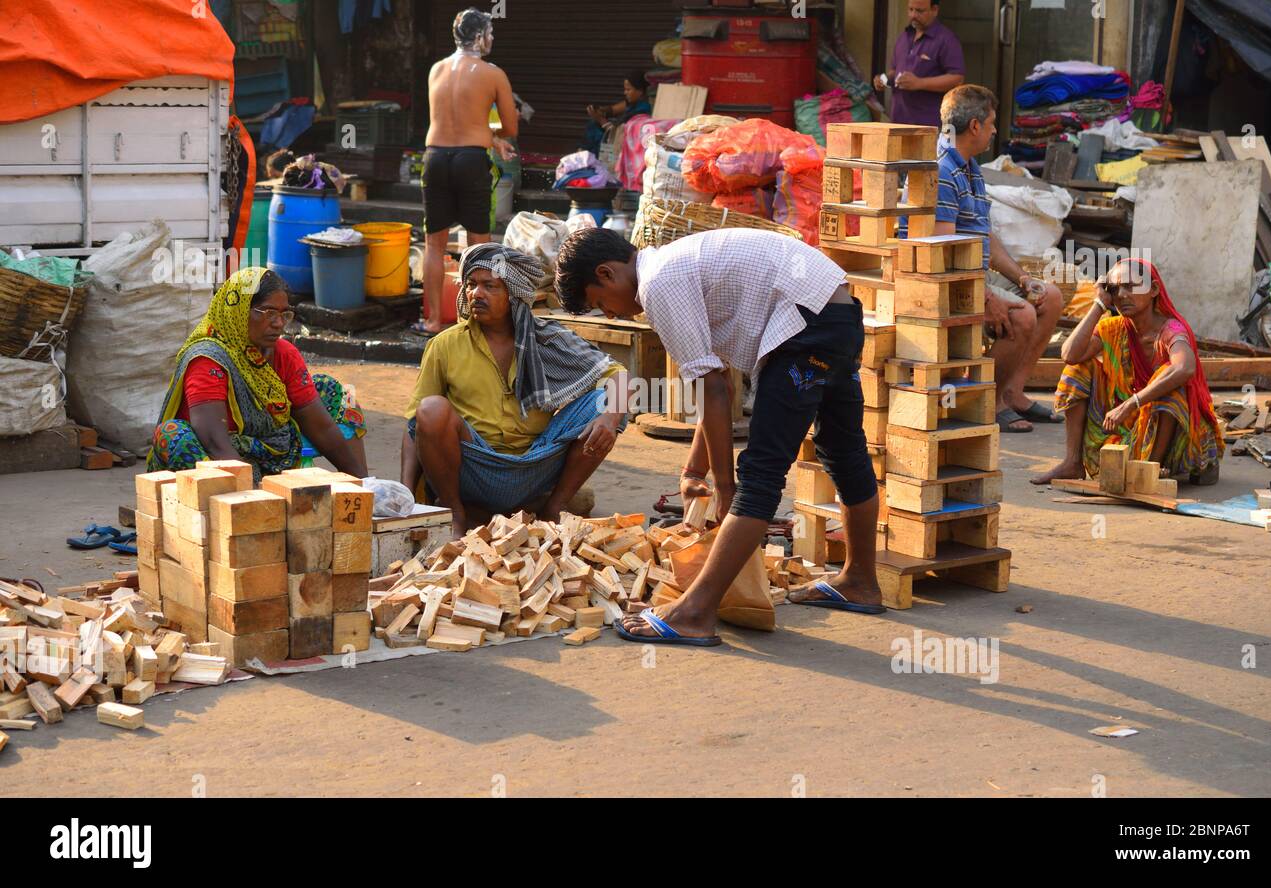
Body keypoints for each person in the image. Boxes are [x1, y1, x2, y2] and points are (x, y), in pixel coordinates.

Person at [556, 228, 884, 648]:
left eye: (601, 303)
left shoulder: (658, 284)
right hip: (837, 317)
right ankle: (860, 580)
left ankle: (694, 612)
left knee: (760, 476)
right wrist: (695, 470)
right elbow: (720, 385)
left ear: (607, 273)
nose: (612, 315)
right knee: (843, 451)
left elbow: (711, 388)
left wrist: (725, 487)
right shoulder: (675, 264)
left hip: (805, 330)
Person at [403, 244, 629, 537]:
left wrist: (610, 418)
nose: (476, 294)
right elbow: (414, 427)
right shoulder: (444, 345)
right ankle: (455, 513)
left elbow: (618, 373)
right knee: (431, 410)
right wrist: (405, 496)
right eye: (471, 285)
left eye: (490, 286)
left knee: (607, 401)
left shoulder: (548, 338)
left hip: (535, 466)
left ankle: (553, 508)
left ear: (514, 294)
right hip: (473, 466)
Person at [927, 84, 1063, 433]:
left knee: (1049, 296)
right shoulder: (943, 171)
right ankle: (989, 402)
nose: (993, 131)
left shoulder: (969, 167)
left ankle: (1013, 392)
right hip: (945, 281)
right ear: (974, 126)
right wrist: (987, 298)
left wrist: (1022, 279)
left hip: (973, 272)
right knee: (1022, 316)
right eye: (990, 123)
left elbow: (984, 235)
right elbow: (942, 252)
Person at [148, 268, 368, 481]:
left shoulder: (283, 354)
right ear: (239, 311)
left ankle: (362, 484)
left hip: (273, 447)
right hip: (218, 460)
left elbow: (320, 426)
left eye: (284, 314)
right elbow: (214, 442)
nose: (279, 324)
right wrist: (253, 495)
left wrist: (364, 486)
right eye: (268, 313)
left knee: (336, 393)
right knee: (172, 433)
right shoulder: (208, 360)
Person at [1032, 258, 1223, 487]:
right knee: (1077, 370)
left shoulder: (1171, 329)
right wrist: (1099, 304)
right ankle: (1073, 462)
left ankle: (1149, 469)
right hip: (1126, 425)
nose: (1121, 295)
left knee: (1170, 380)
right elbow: (1070, 354)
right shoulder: (1114, 327)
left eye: (1131, 286)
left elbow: (1185, 367)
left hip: (1171, 431)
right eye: (1114, 289)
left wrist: (1131, 404)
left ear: (1153, 289)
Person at [414, 7, 519, 336]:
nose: (492, 39)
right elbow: (510, 125)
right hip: (471, 161)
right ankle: (474, 322)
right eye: (490, 33)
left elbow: (454, 117)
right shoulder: (492, 73)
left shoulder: (436, 69)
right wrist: (495, 136)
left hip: (435, 158)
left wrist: (489, 137)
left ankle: (432, 321)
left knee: (434, 245)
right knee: (479, 244)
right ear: (479, 37)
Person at [876, 0, 965, 128]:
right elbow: (895, 70)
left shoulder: (946, 40)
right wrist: (883, 80)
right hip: (898, 121)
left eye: (919, 11)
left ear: (934, 10)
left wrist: (920, 83)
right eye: (910, 9)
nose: (913, 15)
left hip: (928, 123)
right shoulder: (904, 37)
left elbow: (957, 78)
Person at [581, 70, 652, 154]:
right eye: (625, 89)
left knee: (596, 130)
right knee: (593, 124)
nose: (625, 93)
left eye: (628, 89)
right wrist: (600, 111)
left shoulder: (642, 110)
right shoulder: (632, 104)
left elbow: (617, 135)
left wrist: (601, 120)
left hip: (622, 144)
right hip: (616, 137)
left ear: (640, 91)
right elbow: (612, 110)